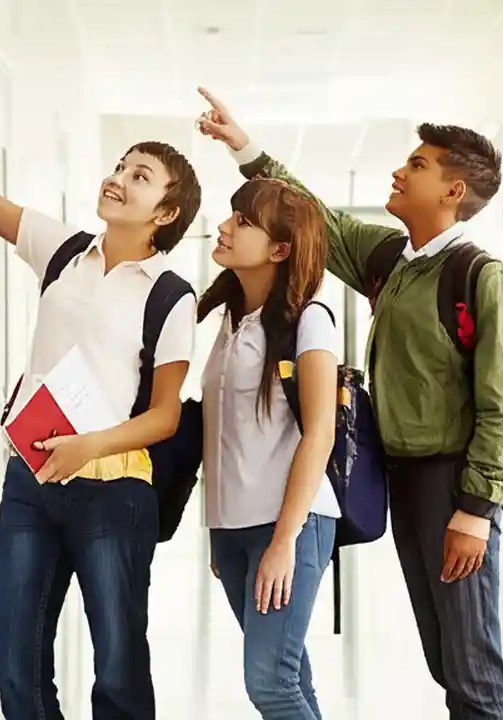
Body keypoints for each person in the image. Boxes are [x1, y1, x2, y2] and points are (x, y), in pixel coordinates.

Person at [0, 11, 202, 719]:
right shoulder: (64, 250)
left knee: (119, 678)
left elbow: (164, 416)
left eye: (140, 175)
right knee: (19, 679)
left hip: (113, 494)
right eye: (120, 166)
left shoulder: (171, 296)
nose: (118, 178)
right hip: (31, 481)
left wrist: (91, 444)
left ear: (167, 208)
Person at [195, 87, 503, 719]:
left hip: (453, 482)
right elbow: (310, 215)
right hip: (405, 477)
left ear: (453, 192)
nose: (401, 171)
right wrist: (246, 147)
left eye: (420, 165)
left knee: (471, 662)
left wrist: (477, 509)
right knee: (444, 653)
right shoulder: (390, 260)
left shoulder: (481, 276)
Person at [199, 177, 339, 719]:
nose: (226, 226)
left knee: (270, 683)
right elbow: (225, 433)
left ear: (280, 250)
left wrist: (283, 542)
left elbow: (319, 432)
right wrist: (218, 532)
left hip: (290, 525)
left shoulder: (311, 321)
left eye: (243, 221)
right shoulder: (232, 321)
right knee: (289, 674)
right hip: (234, 528)